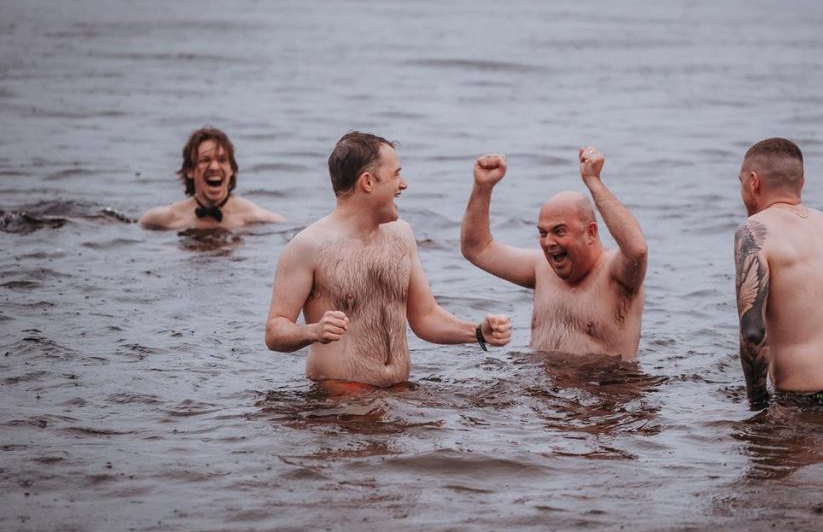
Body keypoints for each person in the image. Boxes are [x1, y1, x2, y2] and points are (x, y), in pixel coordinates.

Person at [264, 131, 511, 391]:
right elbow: (275, 332)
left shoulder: (401, 234)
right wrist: (312, 331)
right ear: (368, 182)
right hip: (339, 396)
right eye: (396, 174)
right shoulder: (307, 246)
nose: (403, 184)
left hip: (399, 389)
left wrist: (478, 333)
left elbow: (425, 317)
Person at [460, 146, 647, 359]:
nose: (549, 242)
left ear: (590, 233)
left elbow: (637, 250)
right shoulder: (541, 268)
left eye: (559, 231)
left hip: (602, 387)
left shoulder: (617, 275)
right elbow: (477, 248)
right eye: (542, 232)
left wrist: (593, 180)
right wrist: (483, 187)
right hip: (543, 385)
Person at [734, 138, 823, 410]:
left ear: (753, 182)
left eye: (740, 183)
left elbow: (752, 333)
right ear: (802, 183)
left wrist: (758, 405)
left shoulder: (754, 230)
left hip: (802, 402)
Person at [140, 127, 285, 229]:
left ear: (231, 170)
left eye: (222, 160)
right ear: (190, 170)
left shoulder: (254, 217)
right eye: (205, 160)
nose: (214, 167)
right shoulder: (163, 218)